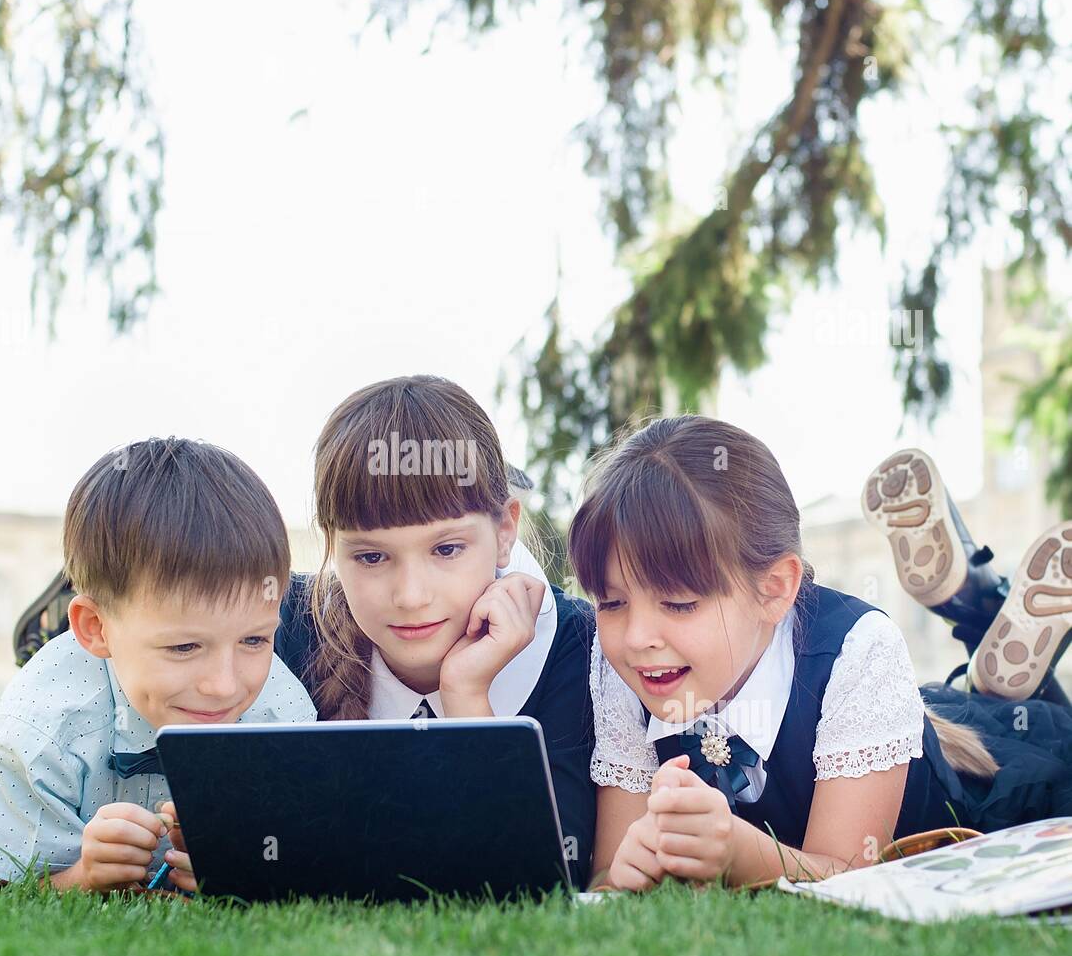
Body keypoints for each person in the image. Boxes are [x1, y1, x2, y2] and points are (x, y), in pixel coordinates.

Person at [573, 416, 1072, 893]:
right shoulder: (621, 662)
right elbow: (607, 879)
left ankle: (980, 608)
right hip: (893, 712)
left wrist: (738, 853)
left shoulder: (857, 649)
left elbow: (849, 878)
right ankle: (978, 611)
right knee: (972, 704)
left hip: (985, 789)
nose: (637, 636)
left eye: (679, 604)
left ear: (773, 590)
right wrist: (626, 873)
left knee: (1033, 736)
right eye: (612, 602)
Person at [274, 374, 599, 885]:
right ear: (333, 547)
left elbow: (542, 876)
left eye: (446, 549)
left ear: (504, 530)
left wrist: (467, 693)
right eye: (372, 555)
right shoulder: (281, 626)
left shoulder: (576, 647)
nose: (410, 595)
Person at [0, 437, 315, 892]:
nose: (225, 686)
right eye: (185, 647)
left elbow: (299, 859)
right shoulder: (38, 734)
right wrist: (82, 876)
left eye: (254, 639)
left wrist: (245, 865)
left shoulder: (282, 717)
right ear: (96, 628)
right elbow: (4, 886)